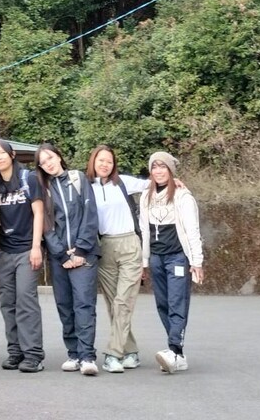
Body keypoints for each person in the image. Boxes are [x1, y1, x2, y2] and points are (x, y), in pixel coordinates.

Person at [36, 142, 100, 375]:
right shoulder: (43, 189)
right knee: (65, 305)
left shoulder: (78, 179)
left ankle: (87, 356)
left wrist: (81, 251)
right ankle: (73, 353)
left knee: (84, 303)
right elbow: (46, 225)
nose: (48, 164)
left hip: (85, 254)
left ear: (59, 157)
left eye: (50, 158)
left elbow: (90, 215)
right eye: (43, 162)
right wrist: (61, 253)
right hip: (59, 257)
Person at [140, 151, 204, 373]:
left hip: (177, 257)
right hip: (156, 258)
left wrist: (197, 261)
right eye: (154, 167)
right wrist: (144, 262)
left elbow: (193, 230)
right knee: (163, 304)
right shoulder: (145, 196)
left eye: (163, 167)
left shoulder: (183, 197)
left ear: (170, 170)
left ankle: (174, 349)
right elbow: (144, 231)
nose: (158, 171)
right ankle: (179, 354)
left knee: (177, 304)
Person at [87, 144, 147, 372]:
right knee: (114, 304)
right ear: (93, 161)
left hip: (130, 244)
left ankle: (113, 354)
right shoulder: (87, 187)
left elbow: (152, 183)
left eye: (109, 161)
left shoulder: (122, 182)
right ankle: (131, 351)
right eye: (101, 160)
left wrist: (174, 182)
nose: (105, 164)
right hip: (105, 247)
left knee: (124, 301)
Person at [0, 139, 45, 373]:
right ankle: (15, 351)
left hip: (26, 250)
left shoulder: (28, 178)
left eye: (2, 153)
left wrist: (36, 247)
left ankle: (33, 354)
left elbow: (39, 212)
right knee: (8, 303)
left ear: (12, 155)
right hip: (4, 251)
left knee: (26, 300)